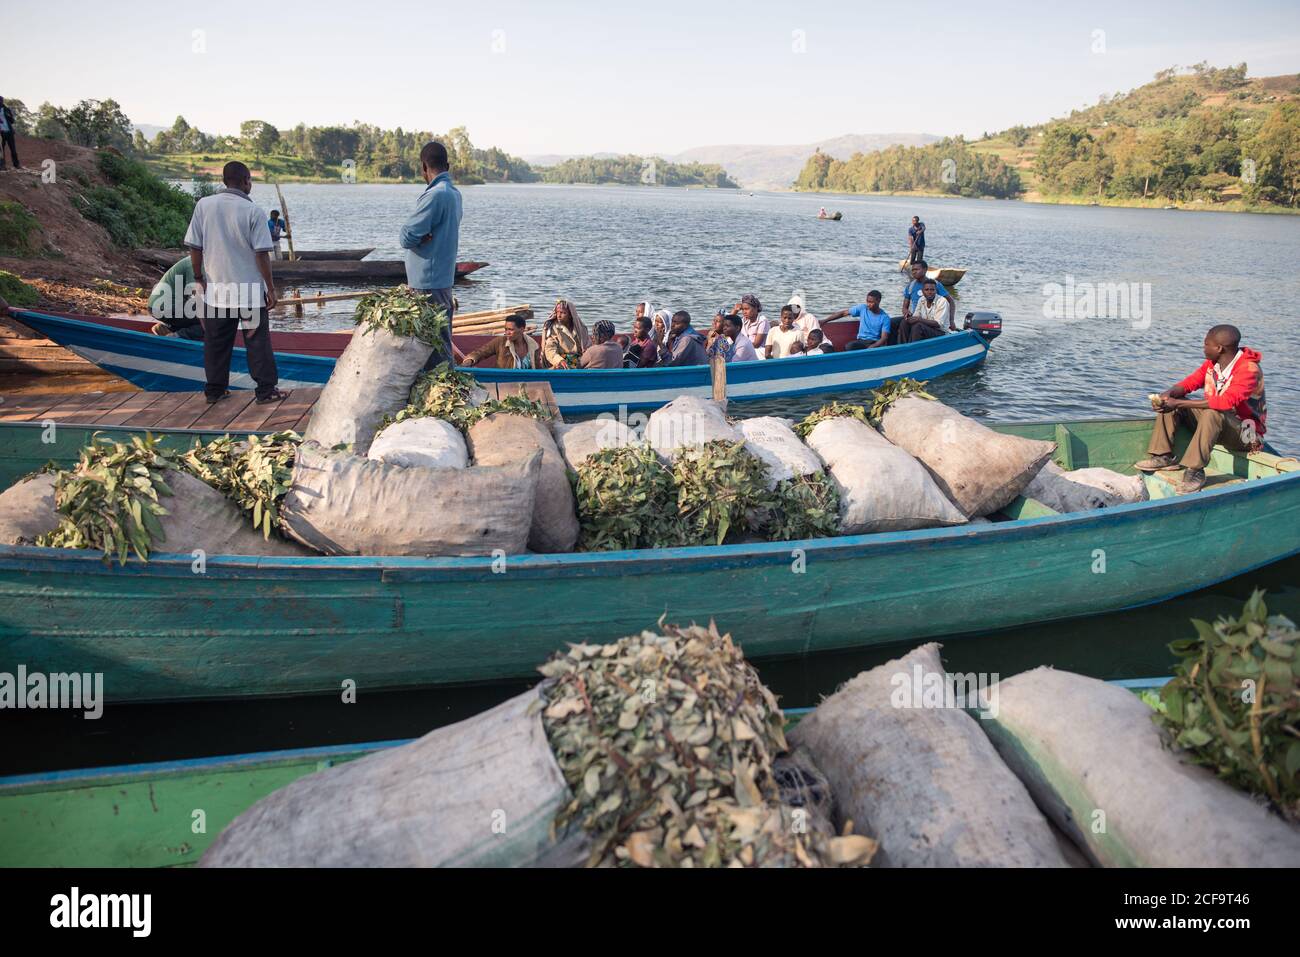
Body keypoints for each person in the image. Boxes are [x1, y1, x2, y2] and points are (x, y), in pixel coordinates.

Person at [183, 161, 282, 404]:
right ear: (246, 180)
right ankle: (266, 391)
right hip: (248, 291)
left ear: (225, 180)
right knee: (257, 342)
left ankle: (215, 391)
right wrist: (270, 288)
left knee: (216, 343)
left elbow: (195, 247)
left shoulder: (204, 205)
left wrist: (198, 279)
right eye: (250, 181)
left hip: (217, 291)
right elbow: (261, 254)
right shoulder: (253, 211)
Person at [1136, 325, 1266, 494]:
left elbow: (1226, 402)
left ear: (1219, 348)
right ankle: (1163, 456)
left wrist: (1178, 403)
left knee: (1211, 412)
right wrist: (1166, 396)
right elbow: (1189, 383)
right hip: (1219, 426)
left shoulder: (1249, 370)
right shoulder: (1213, 364)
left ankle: (1195, 471)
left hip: (1247, 436)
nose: (1203, 347)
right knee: (1174, 404)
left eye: (1206, 344)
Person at [399, 141, 463, 367]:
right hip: (441, 279)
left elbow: (406, 237)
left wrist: (418, 236)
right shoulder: (454, 194)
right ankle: (443, 388)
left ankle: (443, 391)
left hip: (427, 282)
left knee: (431, 344)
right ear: (448, 165)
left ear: (424, 167)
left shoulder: (435, 195)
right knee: (439, 339)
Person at [147, 256, 204, 339]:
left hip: (164, 305)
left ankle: (168, 328)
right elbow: (196, 296)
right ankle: (175, 336)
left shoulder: (201, 262)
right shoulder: (196, 265)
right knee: (212, 321)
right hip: (163, 306)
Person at [900, 260, 956, 340]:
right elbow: (905, 307)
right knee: (903, 322)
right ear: (923, 291)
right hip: (921, 317)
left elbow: (951, 302)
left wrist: (951, 320)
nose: (914, 272)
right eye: (913, 270)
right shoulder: (911, 287)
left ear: (925, 270)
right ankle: (903, 346)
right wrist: (907, 314)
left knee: (917, 326)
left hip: (934, 323)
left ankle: (914, 347)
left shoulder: (936, 285)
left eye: (917, 269)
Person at [460, 313, 539, 369]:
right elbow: (481, 352)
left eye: (511, 330)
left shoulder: (533, 346)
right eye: (506, 329)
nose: (507, 333)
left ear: (522, 329)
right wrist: (469, 360)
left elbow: (538, 367)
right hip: (503, 381)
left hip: (528, 383)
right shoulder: (500, 342)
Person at [825, 291, 890, 350]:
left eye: (871, 302)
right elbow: (843, 313)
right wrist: (825, 320)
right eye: (867, 301)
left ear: (878, 301)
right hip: (861, 341)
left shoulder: (885, 317)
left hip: (874, 342)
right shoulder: (862, 308)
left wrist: (872, 347)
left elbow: (884, 338)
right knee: (849, 346)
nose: (868, 304)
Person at [541, 298, 591, 368]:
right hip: (561, 363)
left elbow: (588, 346)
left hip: (581, 361)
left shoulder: (581, 328)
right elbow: (550, 349)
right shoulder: (553, 328)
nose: (559, 315)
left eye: (562, 313)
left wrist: (585, 355)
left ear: (570, 315)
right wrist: (559, 360)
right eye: (557, 312)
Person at [0, 98, 19, 169]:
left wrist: (9, 116)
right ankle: (2, 166)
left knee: (13, 149)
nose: (0, 102)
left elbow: (12, 121)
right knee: (1, 151)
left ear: (2, 101)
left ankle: (16, 165)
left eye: (1, 101)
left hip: (9, 132)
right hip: (1, 134)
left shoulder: (7, 109)